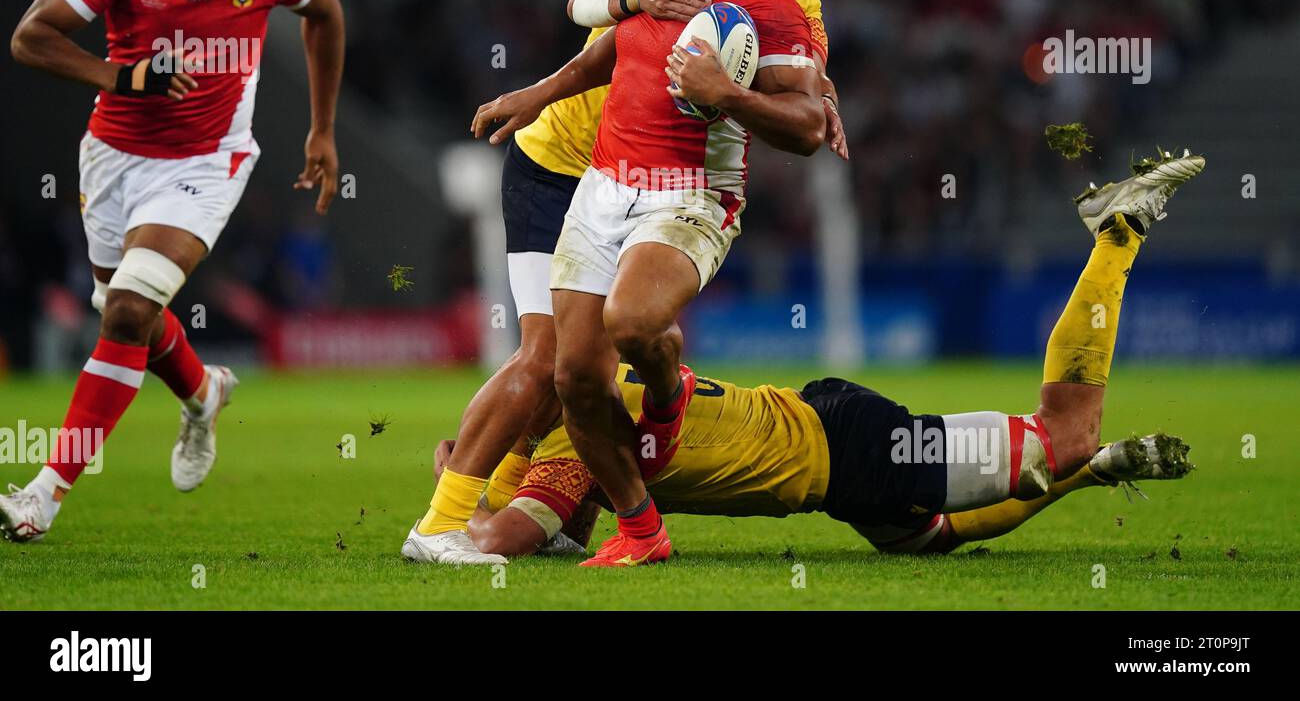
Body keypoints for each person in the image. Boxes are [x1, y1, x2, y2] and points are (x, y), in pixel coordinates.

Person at [440, 150, 1205, 560]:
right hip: (831, 447)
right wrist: (480, 480)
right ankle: (1092, 471)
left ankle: (1117, 233)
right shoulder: (583, 412)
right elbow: (558, 533)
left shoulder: (578, 437)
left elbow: (511, 538)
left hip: (854, 447)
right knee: (929, 536)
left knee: (1061, 430)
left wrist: (456, 495)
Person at [403, 0, 843, 566]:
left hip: (677, 187)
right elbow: (583, 8)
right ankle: (468, 513)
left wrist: (799, 94)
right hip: (561, 169)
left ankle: (563, 495)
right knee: (556, 362)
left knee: (607, 343)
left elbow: (802, 85)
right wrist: (546, 84)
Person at [1, 0, 345, 543]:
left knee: (127, 307)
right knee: (127, 312)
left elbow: (325, 11)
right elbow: (30, 36)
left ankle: (43, 493)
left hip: (206, 160)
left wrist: (321, 128)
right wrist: (124, 77)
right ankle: (202, 391)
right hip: (114, 156)